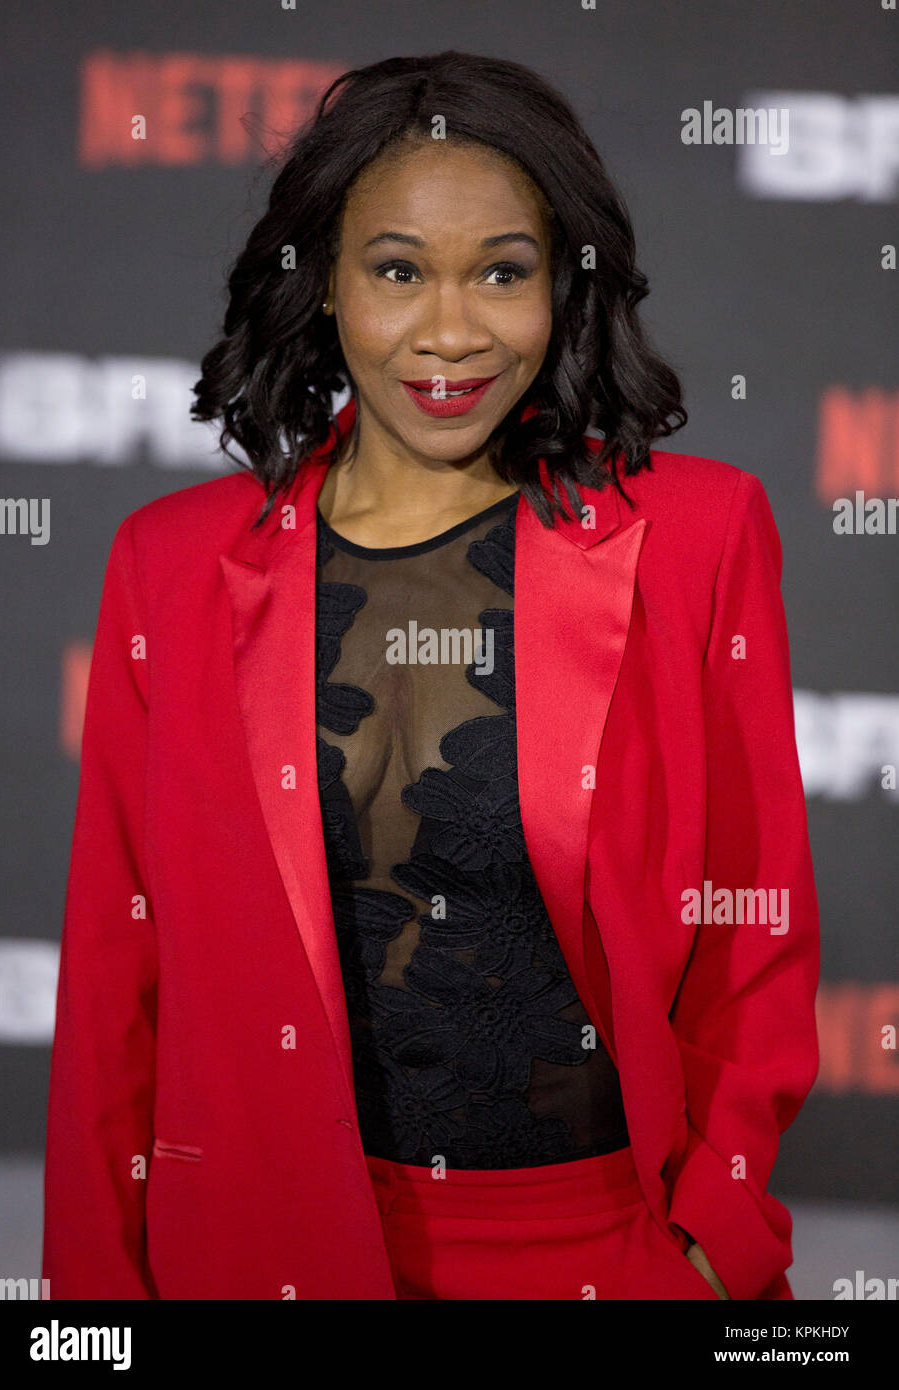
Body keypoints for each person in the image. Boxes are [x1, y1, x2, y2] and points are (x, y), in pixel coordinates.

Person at [42, 50, 820, 1301]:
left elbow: (753, 930)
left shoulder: (699, 537)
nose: (450, 331)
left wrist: (711, 1251)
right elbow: (112, 999)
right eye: (398, 270)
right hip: (255, 1249)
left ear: (561, 289)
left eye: (500, 273)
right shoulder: (171, 566)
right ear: (325, 285)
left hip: (602, 1254)